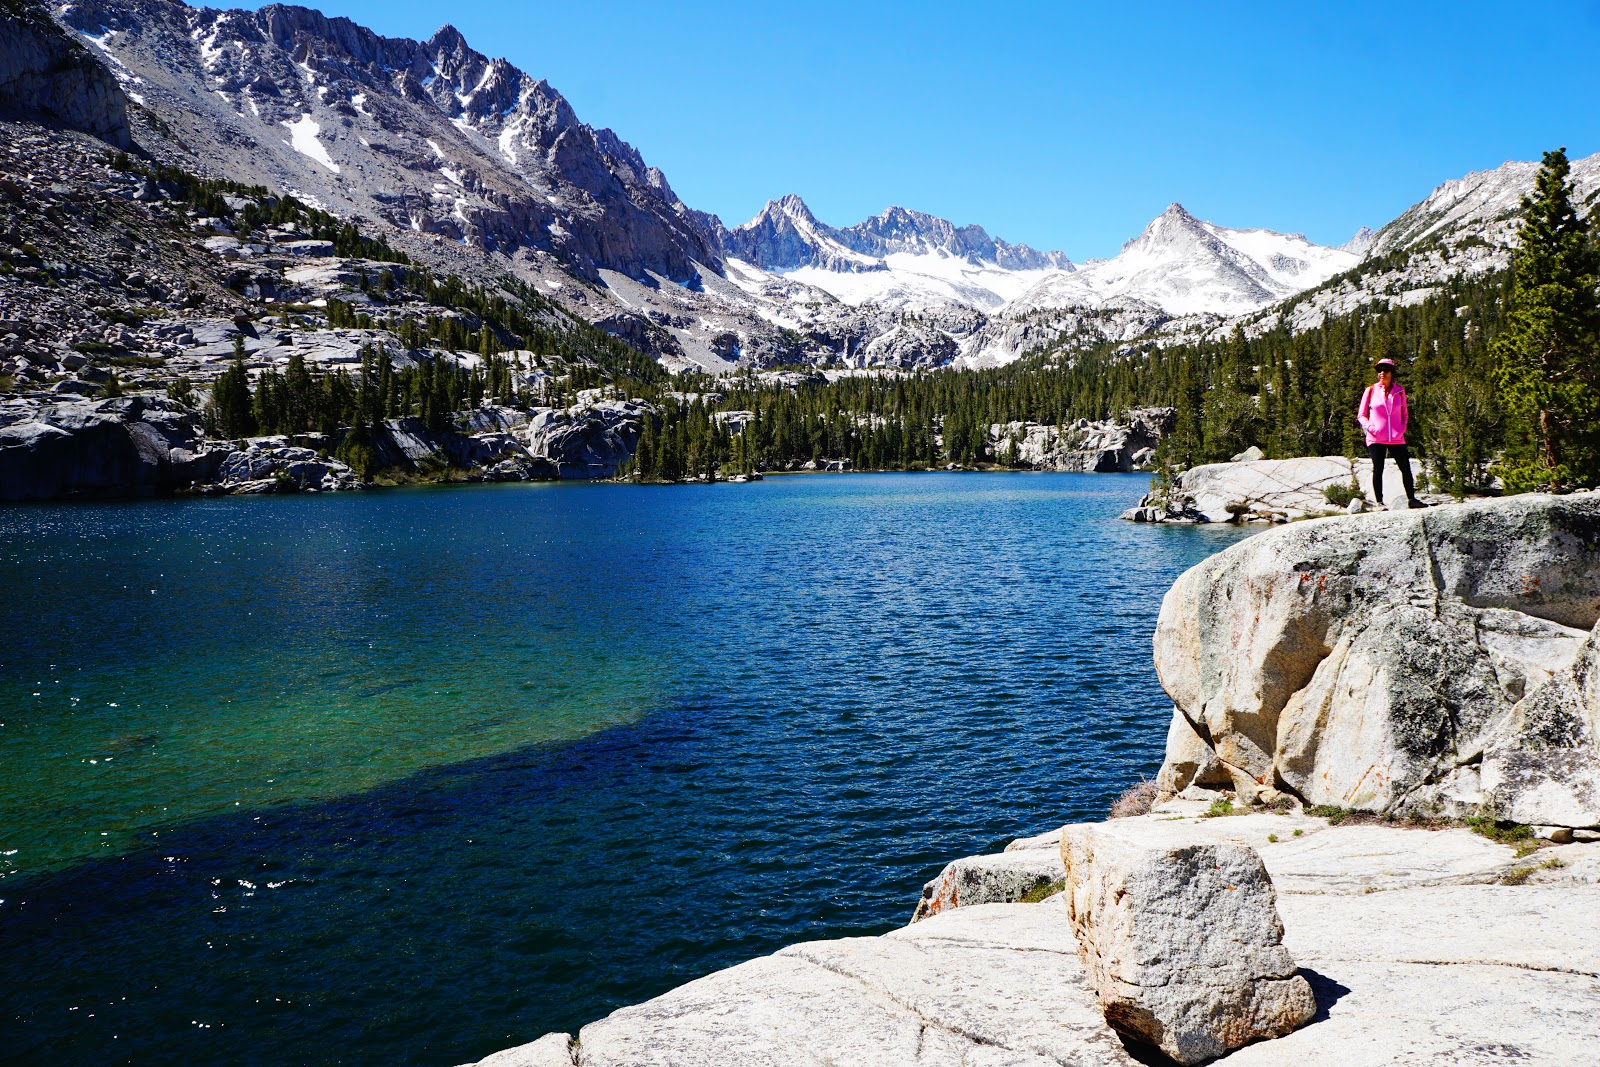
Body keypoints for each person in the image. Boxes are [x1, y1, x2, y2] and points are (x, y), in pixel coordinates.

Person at [1357, 357, 1422, 510]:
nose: (1382, 373)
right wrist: (1372, 429)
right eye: (1379, 370)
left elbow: (1405, 414)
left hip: (1396, 438)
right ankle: (1379, 503)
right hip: (1376, 438)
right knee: (1378, 469)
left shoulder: (1399, 391)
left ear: (1392, 372)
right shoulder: (1370, 390)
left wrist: (1401, 430)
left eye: (1385, 370)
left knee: (1405, 468)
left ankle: (1412, 499)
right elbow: (1361, 415)